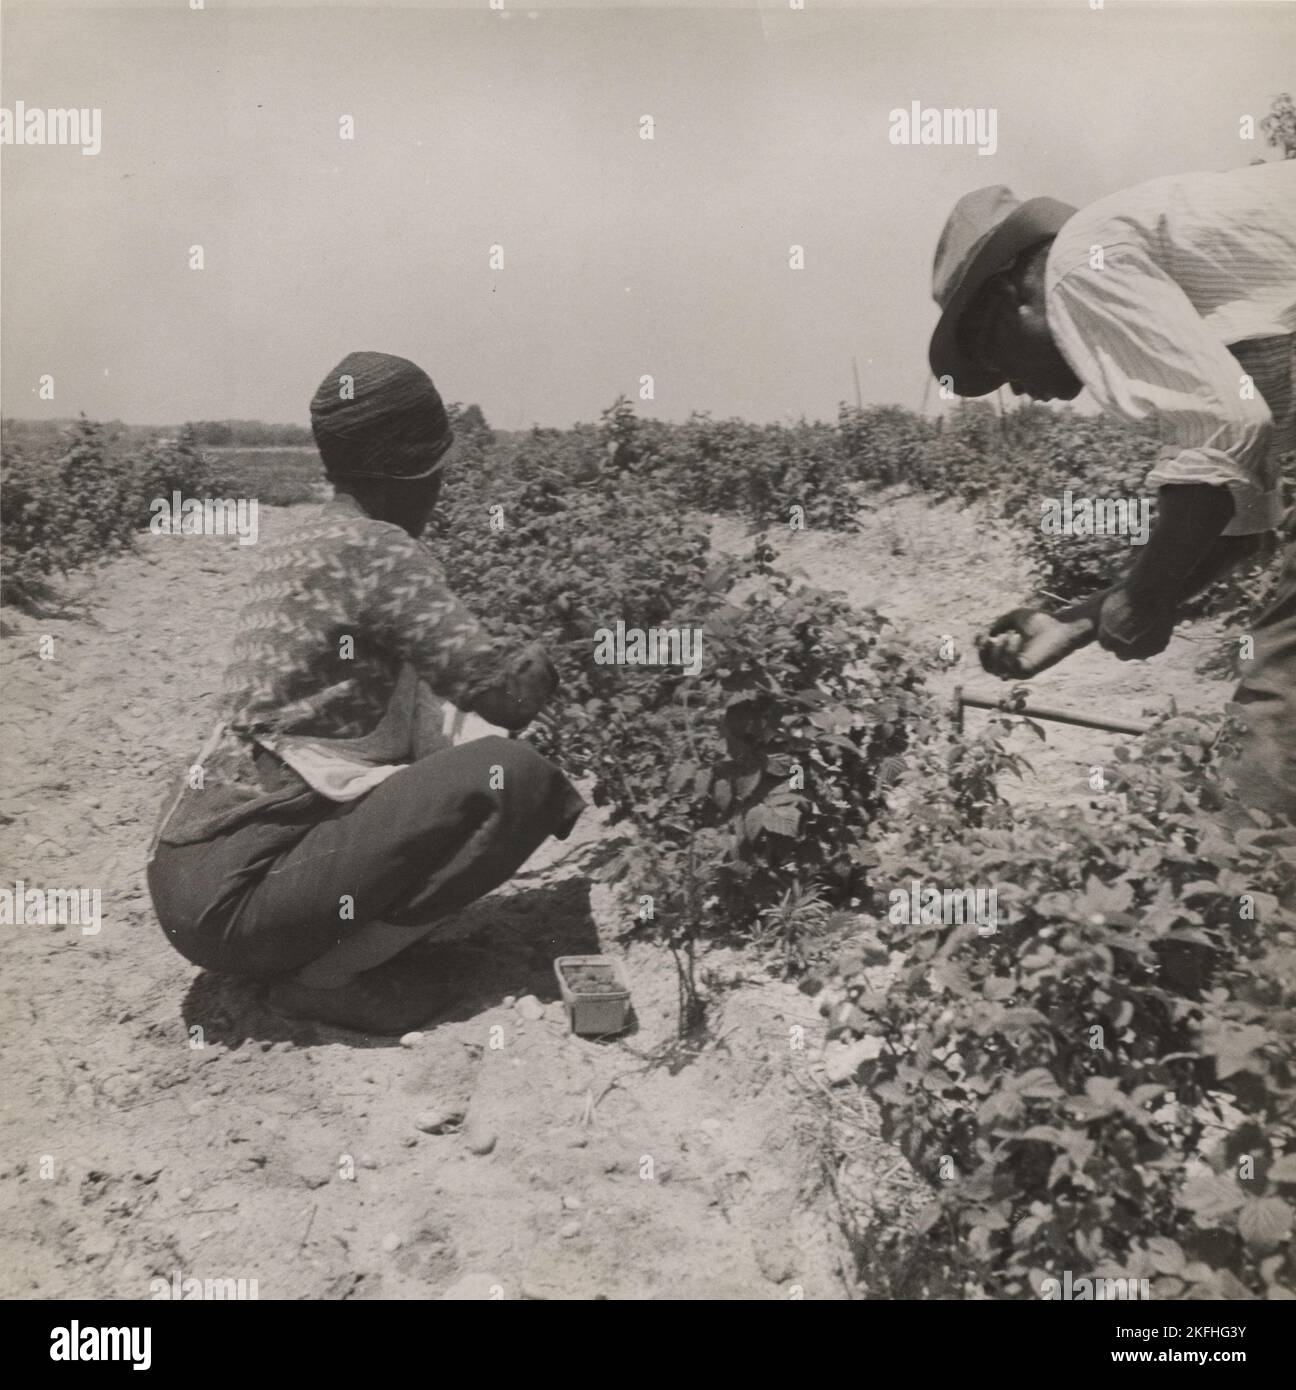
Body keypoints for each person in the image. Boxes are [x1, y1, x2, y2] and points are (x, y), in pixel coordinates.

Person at [146, 351, 585, 1033]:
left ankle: (323, 945)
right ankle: (326, 980)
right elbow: (505, 699)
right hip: (235, 903)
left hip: (187, 880)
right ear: (418, 466)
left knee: (462, 772)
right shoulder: (378, 549)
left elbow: (424, 713)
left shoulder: (302, 539)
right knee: (516, 780)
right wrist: (569, 645)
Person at [927, 161, 1296, 820]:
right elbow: (1245, 526)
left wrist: (1145, 596)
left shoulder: (1074, 267)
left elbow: (1225, 428)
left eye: (990, 353)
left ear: (1015, 294)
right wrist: (1077, 622)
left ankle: (1237, 891)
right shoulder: (1145, 273)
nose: (1009, 384)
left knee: (1275, 713)